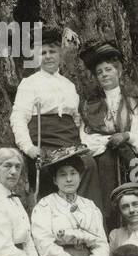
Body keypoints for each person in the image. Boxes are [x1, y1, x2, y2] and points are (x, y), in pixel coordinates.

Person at [10, 26, 93, 199]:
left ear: (60, 54)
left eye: (52, 52)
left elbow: (77, 121)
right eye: (43, 52)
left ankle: (84, 214)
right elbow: (18, 118)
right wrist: (29, 148)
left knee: (88, 164)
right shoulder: (29, 83)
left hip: (70, 143)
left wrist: (84, 143)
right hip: (45, 142)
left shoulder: (69, 86)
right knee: (53, 169)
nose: (48, 56)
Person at [78, 39, 138, 227]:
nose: (104, 75)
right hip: (104, 162)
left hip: (132, 160)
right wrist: (109, 140)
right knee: (107, 204)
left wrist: (127, 136)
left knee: (135, 199)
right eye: (100, 72)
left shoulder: (134, 103)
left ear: (118, 71)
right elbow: (85, 139)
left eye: (108, 70)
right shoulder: (89, 106)